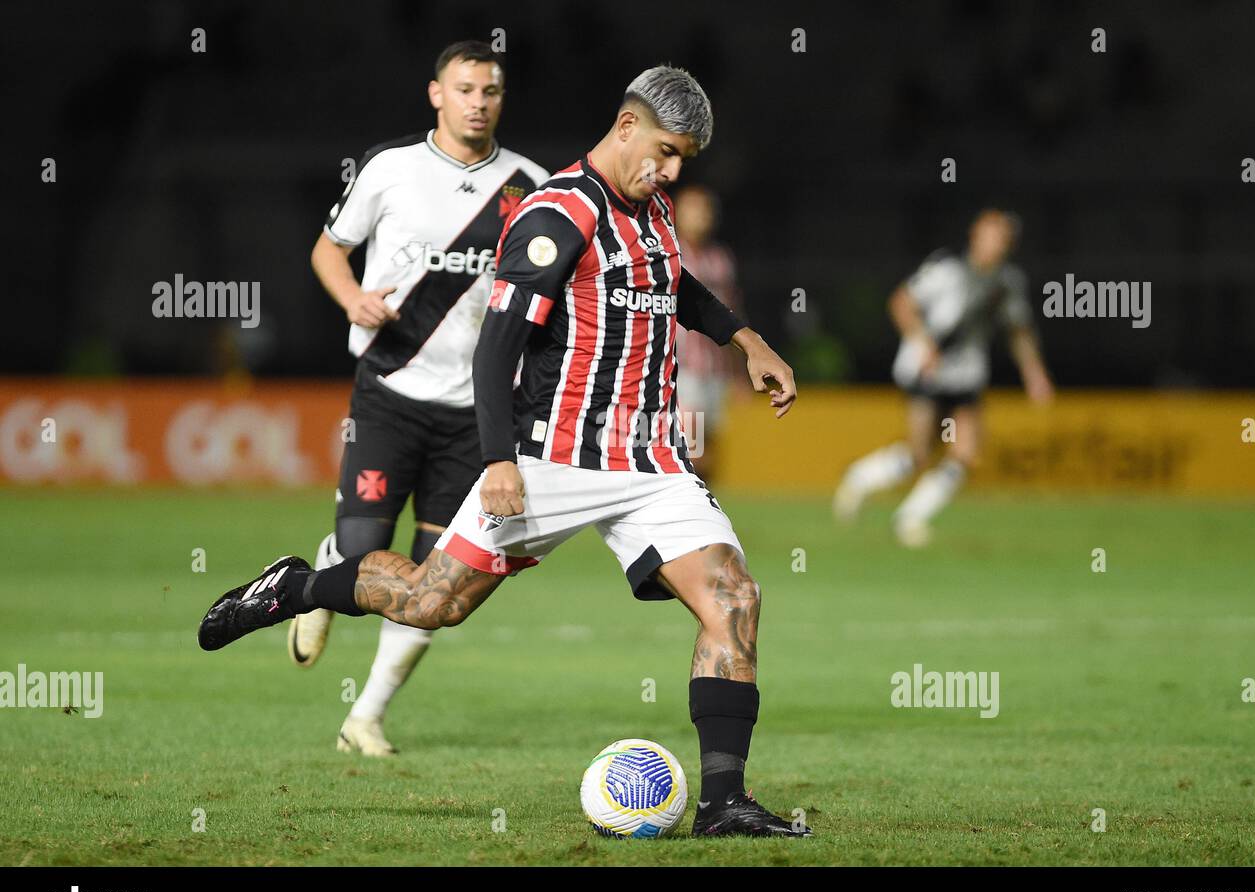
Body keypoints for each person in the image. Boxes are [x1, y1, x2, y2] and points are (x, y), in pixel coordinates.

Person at [200, 65, 809, 838]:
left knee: (736, 598)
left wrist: (746, 339)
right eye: (665, 150)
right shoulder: (557, 213)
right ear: (626, 126)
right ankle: (298, 587)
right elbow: (497, 348)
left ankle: (724, 804)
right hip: (549, 459)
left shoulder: (651, 208)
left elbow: (674, 284)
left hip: (650, 460)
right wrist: (497, 461)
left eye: (684, 158)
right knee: (431, 600)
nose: (674, 171)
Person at [294, 40, 549, 755]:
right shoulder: (391, 168)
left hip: (476, 416)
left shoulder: (531, 186)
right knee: (362, 553)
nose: (478, 102)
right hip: (390, 393)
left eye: (490, 91)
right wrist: (351, 299)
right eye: (464, 89)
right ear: (436, 94)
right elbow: (327, 248)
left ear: (502, 98)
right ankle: (327, 566)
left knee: (436, 580)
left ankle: (365, 717)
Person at [833, 209, 1053, 546]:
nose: (996, 243)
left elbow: (1019, 332)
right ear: (975, 236)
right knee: (919, 455)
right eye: (991, 234)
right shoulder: (946, 269)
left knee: (965, 453)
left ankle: (910, 518)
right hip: (926, 371)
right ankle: (861, 477)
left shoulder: (1007, 283)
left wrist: (1034, 374)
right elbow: (902, 302)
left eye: (1003, 238)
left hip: (966, 376)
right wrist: (923, 343)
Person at [672, 184, 744, 480]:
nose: (701, 216)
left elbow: (733, 314)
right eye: (693, 209)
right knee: (692, 448)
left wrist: (739, 370)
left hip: (715, 369)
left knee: (709, 447)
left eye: (705, 209)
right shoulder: (669, 252)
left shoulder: (720, 258)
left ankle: (705, 511)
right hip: (682, 369)